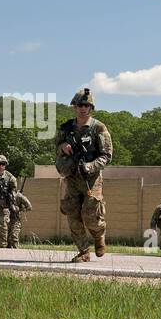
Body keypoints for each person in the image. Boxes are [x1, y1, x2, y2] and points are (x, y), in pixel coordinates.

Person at [56, 88, 113, 262]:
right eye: (80, 105)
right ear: (74, 106)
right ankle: (83, 251)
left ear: (91, 107)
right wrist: (63, 147)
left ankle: (98, 236)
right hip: (72, 177)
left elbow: (107, 155)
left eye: (86, 105)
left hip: (91, 179)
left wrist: (91, 166)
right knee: (72, 214)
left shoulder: (98, 128)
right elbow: (56, 150)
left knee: (91, 215)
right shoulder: (66, 128)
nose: (83, 108)